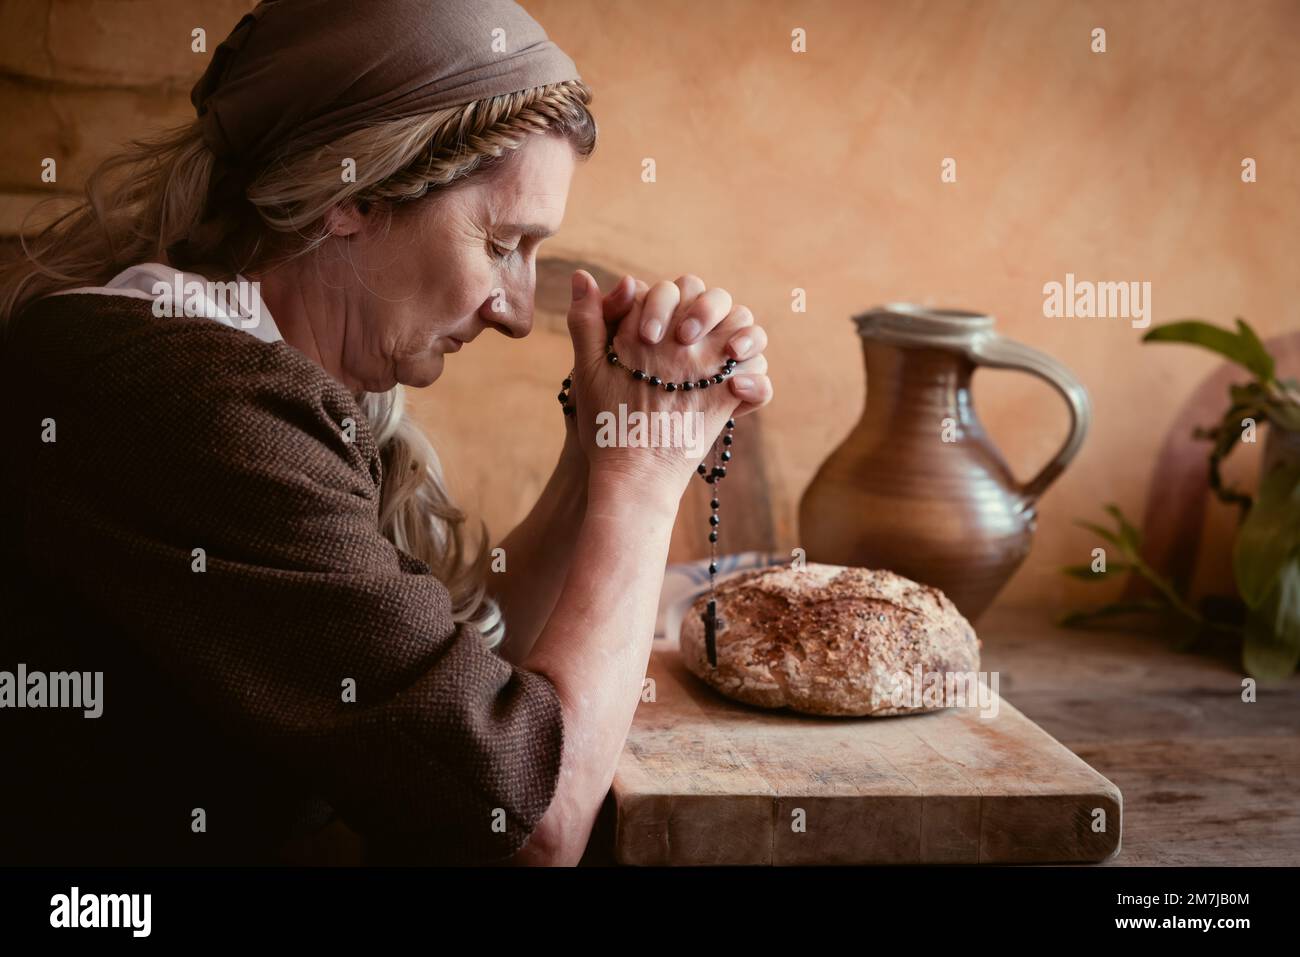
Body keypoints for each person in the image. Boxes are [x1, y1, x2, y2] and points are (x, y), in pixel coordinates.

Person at [0, 0, 771, 865]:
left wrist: (600, 453)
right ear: (353, 197)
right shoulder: (193, 406)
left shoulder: (212, 357)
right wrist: (650, 470)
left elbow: (461, 695)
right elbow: (524, 819)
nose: (519, 313)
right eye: (504, 242)